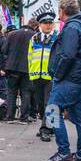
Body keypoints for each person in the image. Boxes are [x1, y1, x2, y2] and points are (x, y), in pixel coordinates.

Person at [43, 0, 81, 161]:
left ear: (62, 10)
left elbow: (68, 55)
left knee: (52, 111)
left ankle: (63, 151)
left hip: (70, 78)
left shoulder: (72, 27)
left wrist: (58, 75)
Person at [28, 13, 57, 141]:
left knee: (50, 103)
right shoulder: (34, 38)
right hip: (36, 76)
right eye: (45, 23)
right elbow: (30, 57)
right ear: (40, 25)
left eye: (50, 23)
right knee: (40, 104)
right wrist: (30, 74)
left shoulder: (57, 38)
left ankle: (46, 129)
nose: (48, 26)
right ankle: (50, 127)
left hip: (51, 76)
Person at [3, 20, 34, 121]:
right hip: (27, 68)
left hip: (12, 67)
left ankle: (10, 115)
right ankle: (24, 116)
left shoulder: (12, 34)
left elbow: (4, 50)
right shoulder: (34, 35)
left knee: (11, 92)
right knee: (25, 92)